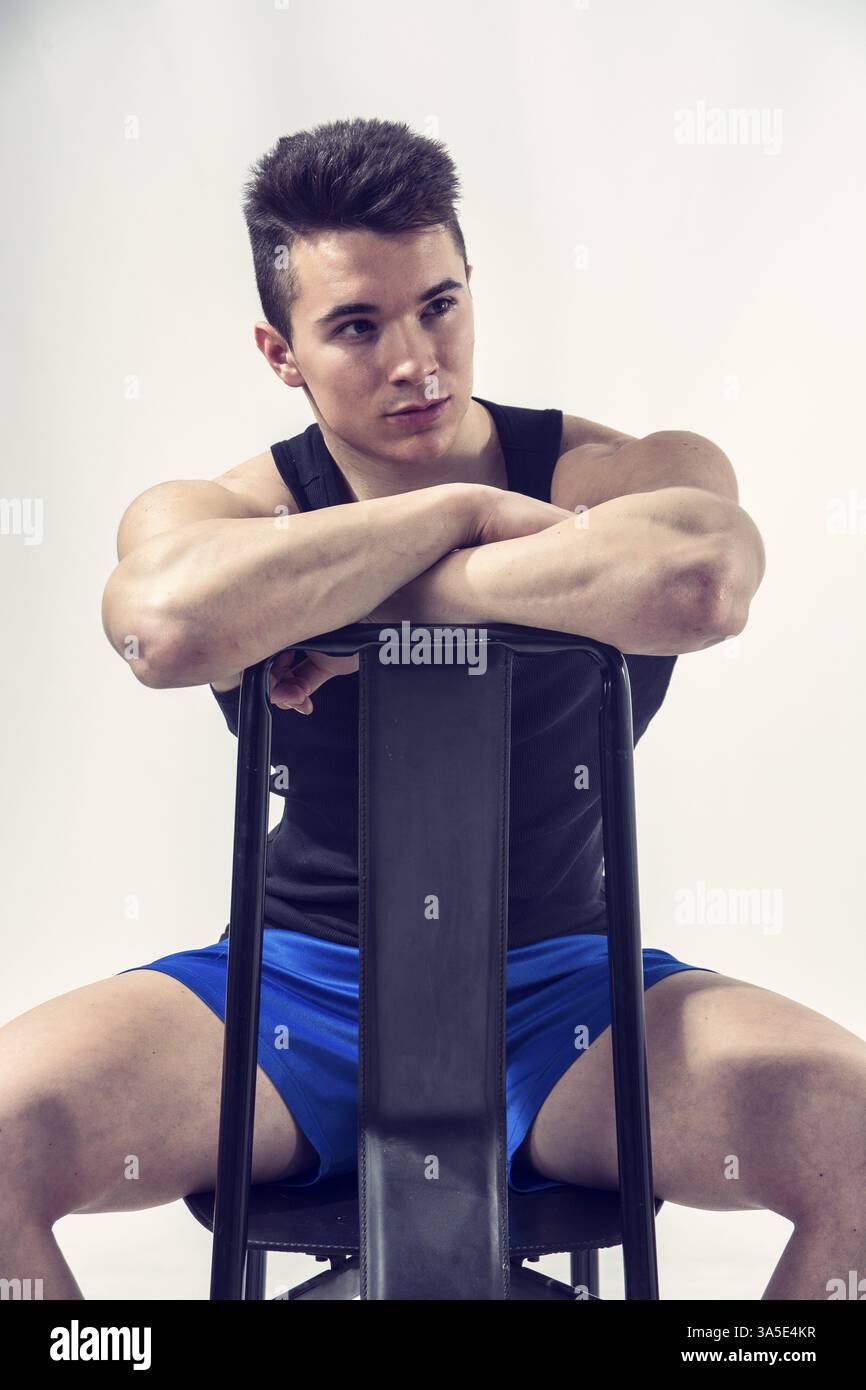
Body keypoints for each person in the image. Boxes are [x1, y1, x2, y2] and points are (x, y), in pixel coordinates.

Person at [4, 117, 863, 1303]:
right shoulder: (221, 507)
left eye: (439, 305)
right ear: (280, 350)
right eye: (356, 326)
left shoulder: (601, 473)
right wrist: (463, 518)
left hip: (570, 996)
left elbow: (700, 579)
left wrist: (335, 588)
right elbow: (163, 623)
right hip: (285, 996)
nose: (416, 360)